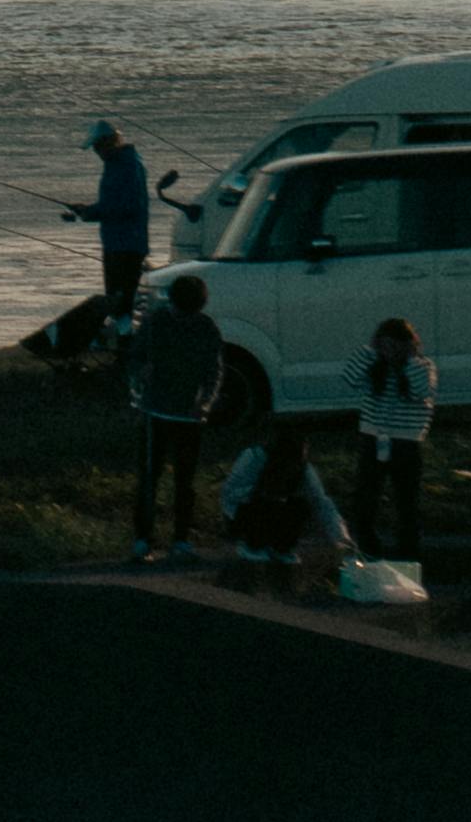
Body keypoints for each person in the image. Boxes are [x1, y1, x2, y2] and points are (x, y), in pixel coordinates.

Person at [122, 265, 225, 561]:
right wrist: (140, 371)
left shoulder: (206, 327)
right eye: (181, 312)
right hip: (154, 412)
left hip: (188, 416)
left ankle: (181, 539)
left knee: (185, 481)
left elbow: (214, 371)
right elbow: (134, 358)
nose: (184, 318)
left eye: (190, 313)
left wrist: (206, 402)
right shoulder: (155, 323)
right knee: (149, 478)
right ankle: (143, 540)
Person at [220, 419, 351, 595]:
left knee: (300, 506)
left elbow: (320, 501)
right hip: (245, 512)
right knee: (265, 504)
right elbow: (229, 494)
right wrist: (259, 493)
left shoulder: (304, 469)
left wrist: (340, 537)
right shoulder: (253, 458)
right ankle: (253, 545)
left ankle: (282, 547)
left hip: (274, 512)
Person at [354, 317, 438, 563]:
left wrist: (409, 361)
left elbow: (422, 391)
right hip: (372, 439)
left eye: (394, 345)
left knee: (406, 503)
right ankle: (369, 553)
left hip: (406, 443)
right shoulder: (374, 366)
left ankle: (408, 556)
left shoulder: (423, 366)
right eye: (384, 345)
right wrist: (370, 352)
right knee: (365, 501)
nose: (389, 351)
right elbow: (350, 378)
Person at [60, 121, 157, 333]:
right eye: (95, 148)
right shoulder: (117, 164)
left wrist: (92, 212)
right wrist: (88, 211)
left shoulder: (128, 165)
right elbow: (114, 204)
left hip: (127, 244)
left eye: (98, 146)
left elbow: (129, 206)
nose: (97, 152)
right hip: (117, 242)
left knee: (120, 300)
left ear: (110, 142)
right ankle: (121, 336)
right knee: (116, 298)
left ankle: (124, 339)